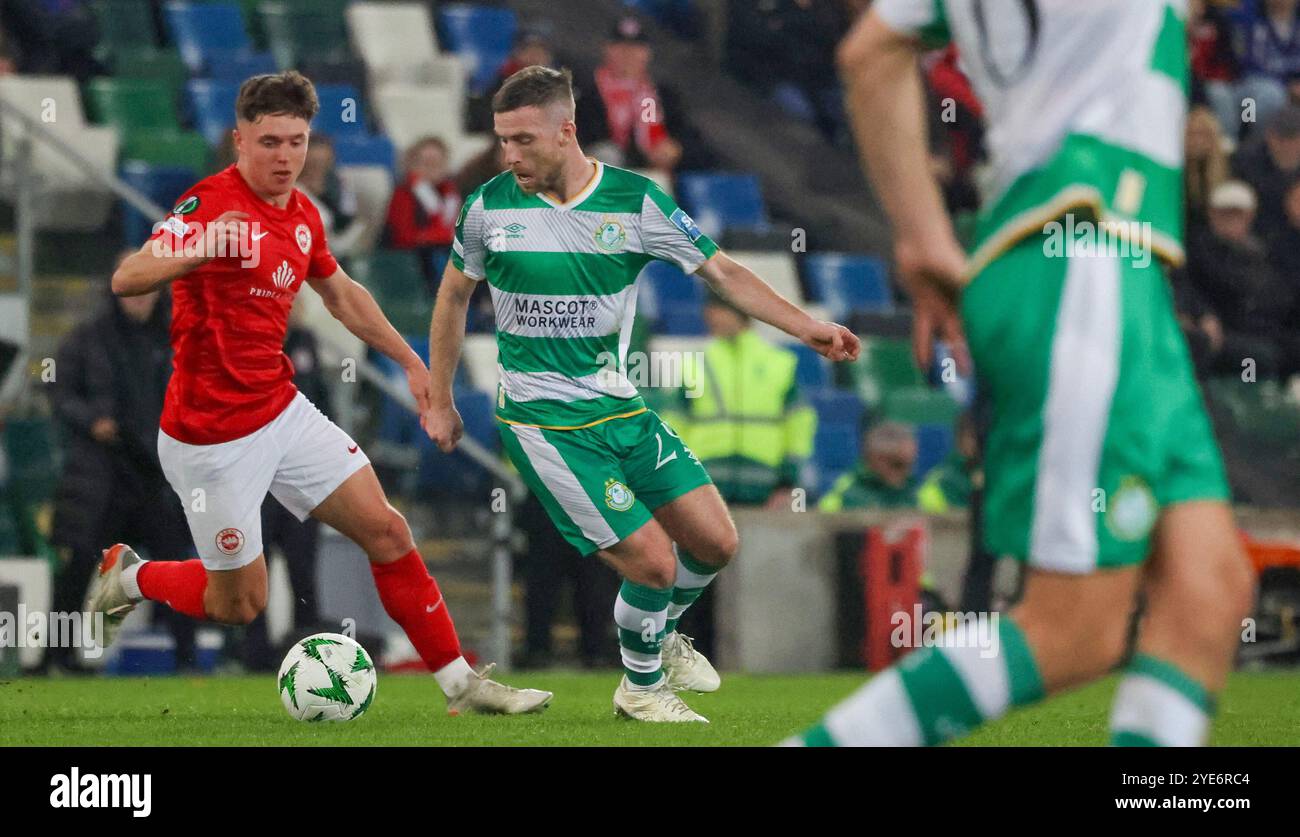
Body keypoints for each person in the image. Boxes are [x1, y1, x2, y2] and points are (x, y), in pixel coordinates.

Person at [793, 1, 1255, 747]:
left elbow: (871, 53)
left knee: (1208, 589)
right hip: (1085, 250)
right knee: (1073, 628)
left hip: (1093, 265)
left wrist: (919, 239)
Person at [85, 71, 551, 715]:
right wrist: (196, 251)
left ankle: (461, 684)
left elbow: (341, 296)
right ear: (239, 140)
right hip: (210, 438)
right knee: (239, 605)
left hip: (281, 411)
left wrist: (410, 362)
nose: (285, 157)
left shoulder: (304, 213)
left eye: (296, 142)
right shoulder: (208, 204)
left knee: (388, 532)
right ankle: (129, 576)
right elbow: (127, 277)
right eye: (270, 141)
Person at [423, 66, 860, 723]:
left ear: (566, 131)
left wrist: (808, 327)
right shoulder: (489, 206)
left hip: (619, 407)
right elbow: (453, 295)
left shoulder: (634, 202)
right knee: (654, 563)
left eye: (521, 141)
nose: (507, 155)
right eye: (501, 141)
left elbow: (722, 271)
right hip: (543, 423)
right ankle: (641, 686)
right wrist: (441, 396)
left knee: (716, 541)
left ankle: (661, 634)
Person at [45, 254, 196, 673]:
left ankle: (187, 657)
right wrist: (92, 421)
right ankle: (56, 658)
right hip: (103, 472)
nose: (142, 297)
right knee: (78, 566)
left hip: (153, 473)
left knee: (175, 563)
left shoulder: (174, 337)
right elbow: (58, 393)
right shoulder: (86, 338)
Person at [660, 291, 817, 656]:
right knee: (697, 575)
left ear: (741, 313)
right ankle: (693, 652)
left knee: (753, 577)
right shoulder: (694, 364)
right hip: (703, 486)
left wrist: (789, 480)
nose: (711, 318)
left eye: (718, 310)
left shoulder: (779, 363)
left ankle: (752, 654)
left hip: (763, 490)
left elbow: (799, 424)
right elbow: (674, 425)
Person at [1179, 179, 1295, 379]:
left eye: (1237, 214)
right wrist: (1202, 314)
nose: (1231, 220)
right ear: (1212, 213)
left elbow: (1282, 297)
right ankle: (1247, 402)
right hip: (1226, 333)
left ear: (1250, 216)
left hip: (1268, 331)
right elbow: (1188, 289)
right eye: (1225, 213)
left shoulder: (1265, 251)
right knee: (1254, 360)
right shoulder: (1198, 251)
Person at [383, 136, 462, 284]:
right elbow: (404, 238)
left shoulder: (452, 194)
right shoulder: (403, 194)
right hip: (412, 263)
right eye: (426, 163)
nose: (433, 169)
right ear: (412, 165)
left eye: (438, 163)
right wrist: (440, 237)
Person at [818, 421, 919, 511]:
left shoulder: (916, 490)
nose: (903, 472)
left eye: (908, 465)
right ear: (875, 458)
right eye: (897, 464)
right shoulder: (847, 491)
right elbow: (821, 521)